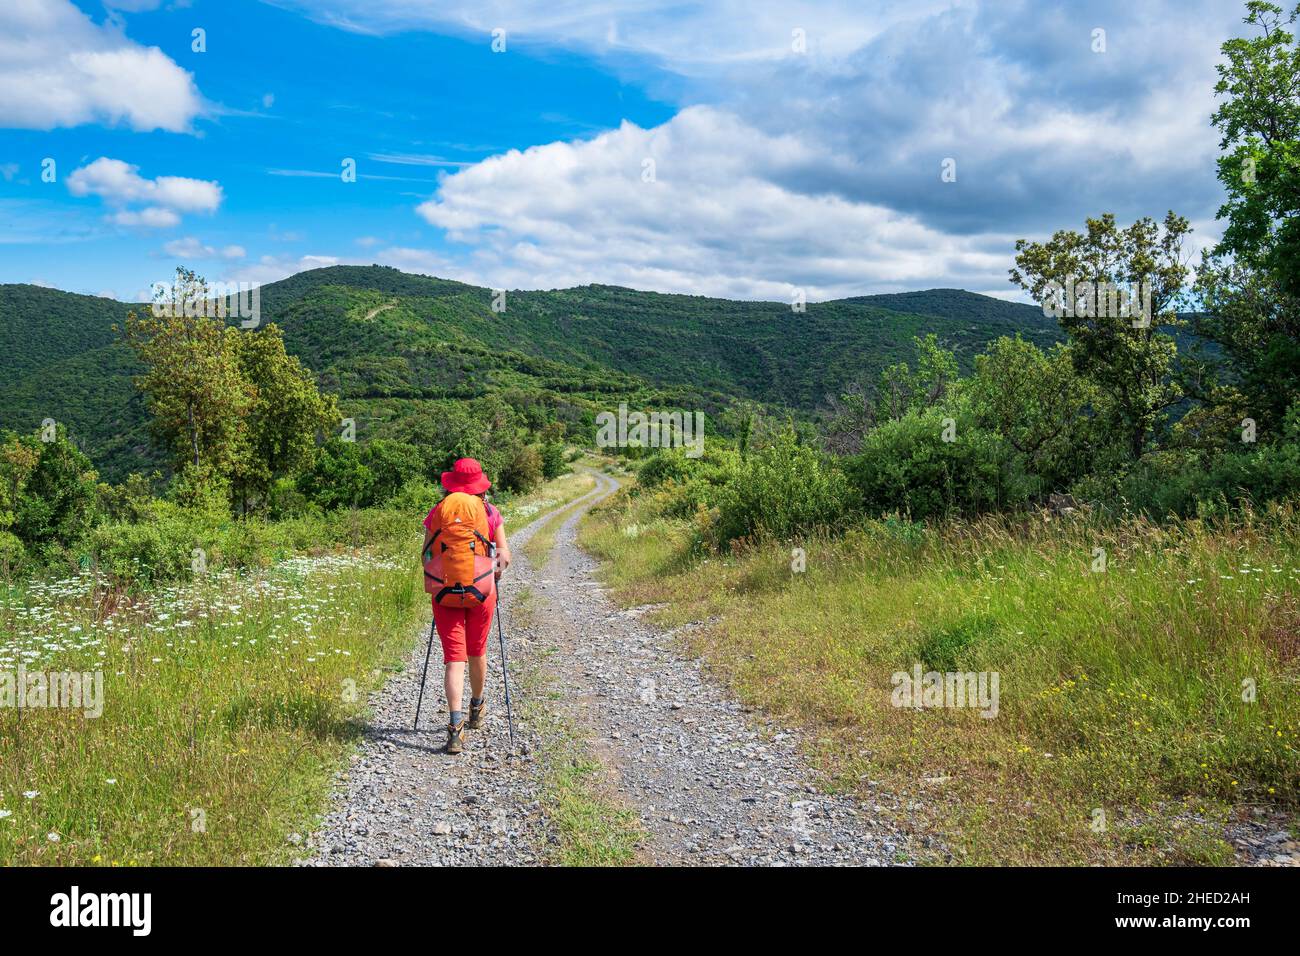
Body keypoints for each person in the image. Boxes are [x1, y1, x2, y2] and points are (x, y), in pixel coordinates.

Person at [421, 457, 512, 754]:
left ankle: (455, 727)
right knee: (477, 651)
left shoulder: (438, 512)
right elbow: (504, 558)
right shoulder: (489, 512)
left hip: (445, 593)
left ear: (451, 484)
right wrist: (493, 571)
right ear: (480, 487)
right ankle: (477, 706)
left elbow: (426, 556)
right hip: (482, 593)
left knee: (453, 659)